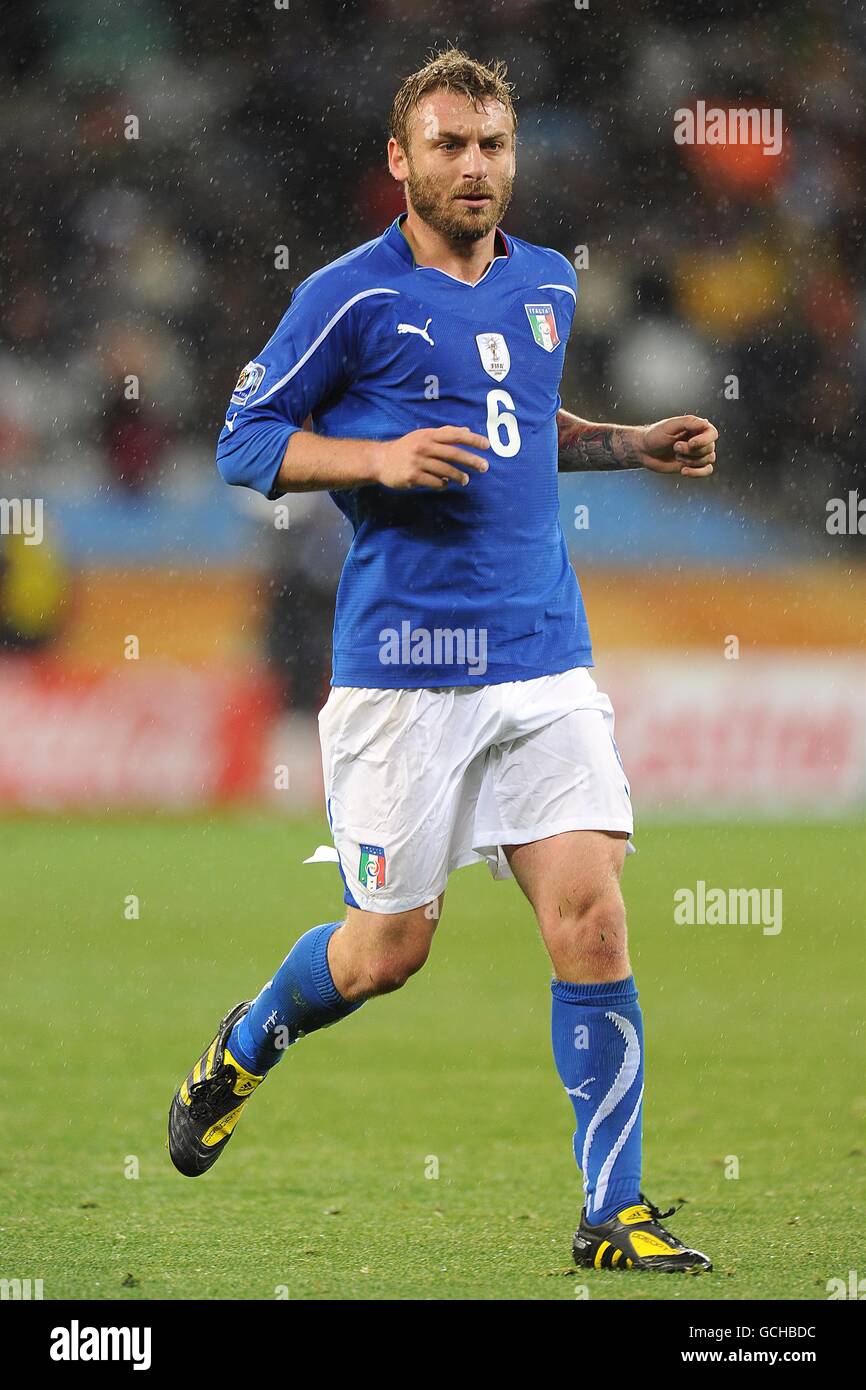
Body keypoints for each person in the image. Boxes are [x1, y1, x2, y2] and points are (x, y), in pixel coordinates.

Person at [168, 48, 718, 1275]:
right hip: (403, 671)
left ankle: (610, 1214)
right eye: (449, 146)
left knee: (589, 923)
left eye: (492, 147)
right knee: (387, 951)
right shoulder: (347, 298)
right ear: (399, 159)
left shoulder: (550, 284)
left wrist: (629, 443)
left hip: (540, 656)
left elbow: (524, 429)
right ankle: (248, 1041)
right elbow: (241, 440)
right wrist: (374, 461)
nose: (474, 168)